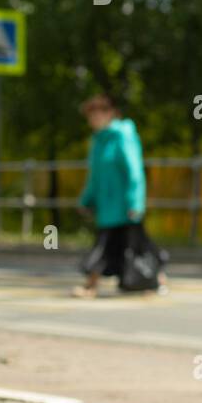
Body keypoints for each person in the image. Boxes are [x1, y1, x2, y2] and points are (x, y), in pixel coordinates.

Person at [73, 93, 169, 298]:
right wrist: (86, 199)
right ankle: (155, 280)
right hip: (107, 208)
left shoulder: (123, 136)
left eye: (96, 115)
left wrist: (135, 202)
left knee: (131, 246)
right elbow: (95, 176)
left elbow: (134, 171)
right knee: (123, 246)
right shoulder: (97, 141)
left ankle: (92, 286)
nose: (93, 120)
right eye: (90, 116)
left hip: (125, 207)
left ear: (110, 114)